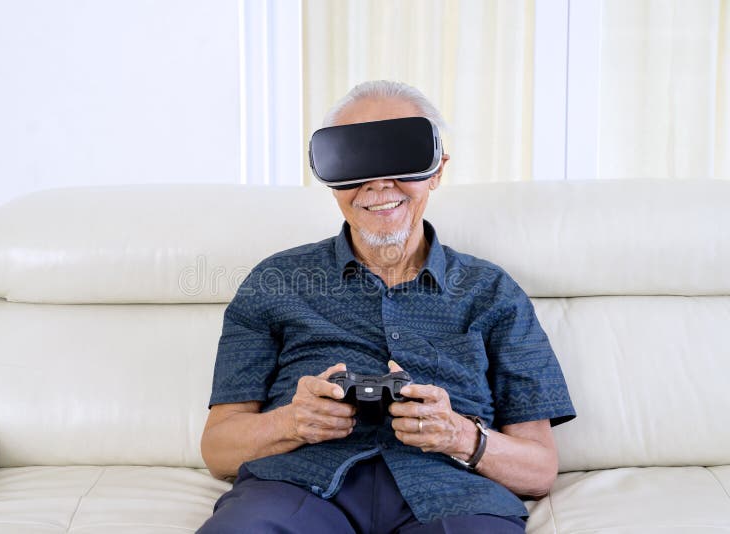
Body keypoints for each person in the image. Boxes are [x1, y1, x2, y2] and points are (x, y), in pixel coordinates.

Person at [197, 80, 576, 534]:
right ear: (334, 182)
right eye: (357, 164)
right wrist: (294, 422)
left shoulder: (493, 292)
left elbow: (538, 470)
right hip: (296, 488)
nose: (378, 184)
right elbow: (218, 448)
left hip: (451, 494)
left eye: (401, 160)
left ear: (436, 171)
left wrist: (457, 434)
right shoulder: (274, 282)